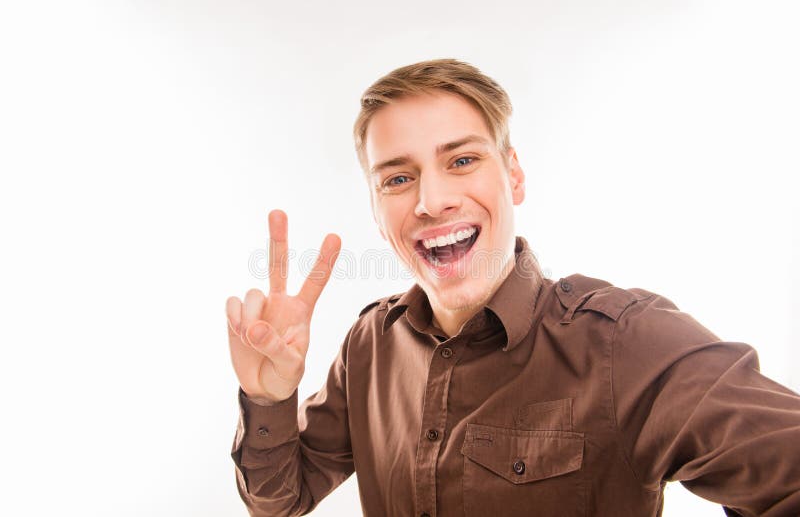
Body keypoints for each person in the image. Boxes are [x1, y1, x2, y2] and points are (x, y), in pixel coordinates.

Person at [225, 59, 800, 516]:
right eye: (398, 178)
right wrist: (269, 398)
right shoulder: (369, 345)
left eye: (462, 160)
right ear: (377, 213)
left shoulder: (625, 342)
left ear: (514, 175)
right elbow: (280, 499)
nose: (431, 201)